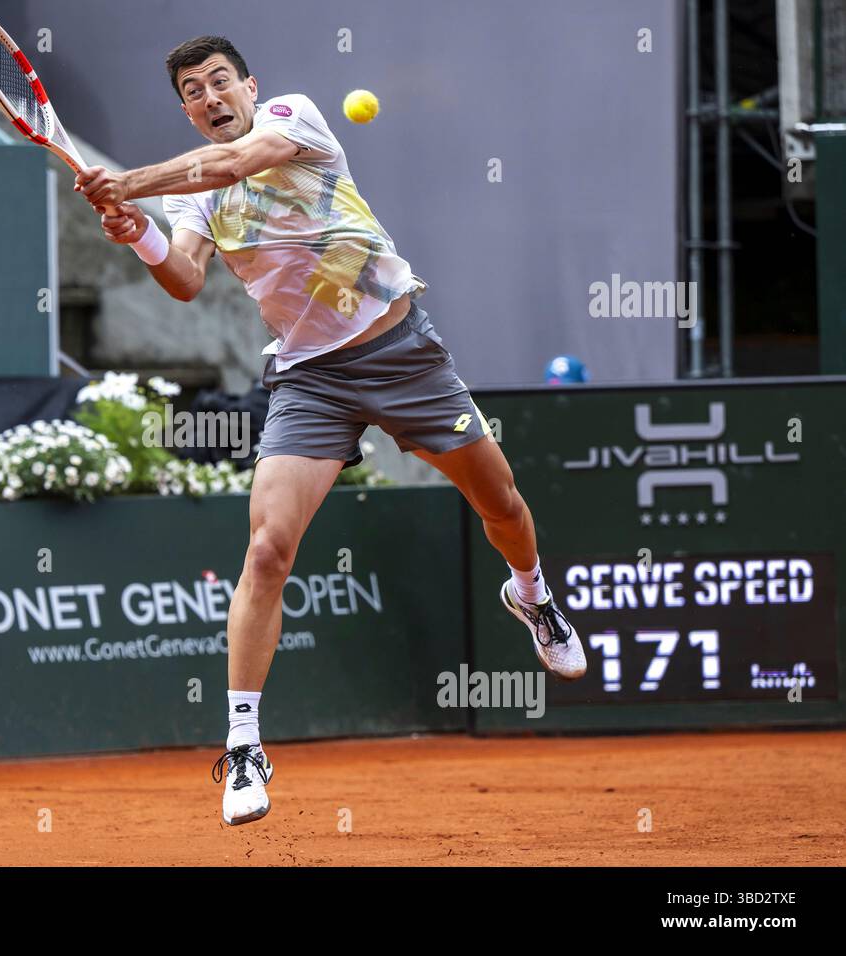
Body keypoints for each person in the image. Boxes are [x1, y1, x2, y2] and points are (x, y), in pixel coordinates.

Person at [73, 35, 586, 827]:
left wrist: (128, 181)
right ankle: (244, 746)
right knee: (268, 549)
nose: (211, 99)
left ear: (251, 87)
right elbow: (181, 280)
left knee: (503, 506)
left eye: (220, 82)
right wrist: (133, 227)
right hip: (310, 382)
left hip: (402, 354)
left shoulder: (295, 118)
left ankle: (532, 594)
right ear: (185, 108)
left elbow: (230, 166)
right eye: (193, 92)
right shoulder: (192, 198)